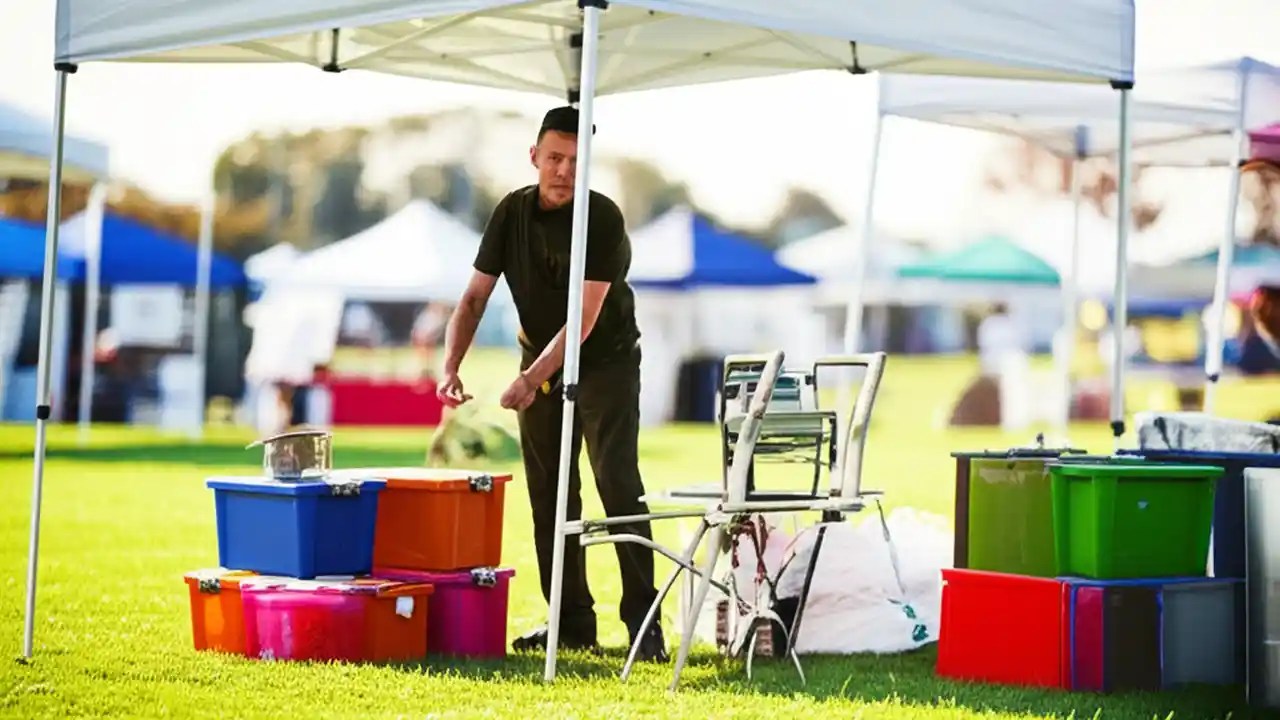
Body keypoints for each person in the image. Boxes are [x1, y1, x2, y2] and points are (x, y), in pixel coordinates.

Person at [437, 106, 667, 662]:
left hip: (605, 362)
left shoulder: (604, 219)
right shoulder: (510, 212)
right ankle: (570, 624)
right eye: (555, 157)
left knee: (617, 485)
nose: (563, 170)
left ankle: (644, 627)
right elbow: (473, 298)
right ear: (535, 156)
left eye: (575, 161)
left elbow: (583, 320)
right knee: (549, 494)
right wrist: (451, 366)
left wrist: (528, 379)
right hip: (537, 358)